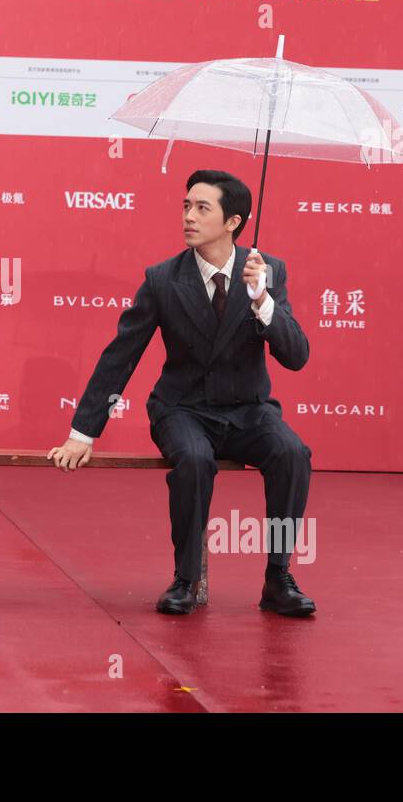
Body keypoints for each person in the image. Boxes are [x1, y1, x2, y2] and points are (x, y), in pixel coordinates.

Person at [46, 170, 317, 617]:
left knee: (292, 454)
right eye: (186, 206)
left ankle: (278, 575)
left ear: (233, 221)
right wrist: (83, 432)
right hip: (183, 409)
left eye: (202, 208)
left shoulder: (267, 271)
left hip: (249, 410)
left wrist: (261, 299)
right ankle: (185, 579)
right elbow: (121, 356)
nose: (189, 216)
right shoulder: (162, 279)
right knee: (193, 460)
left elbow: (297, 356)